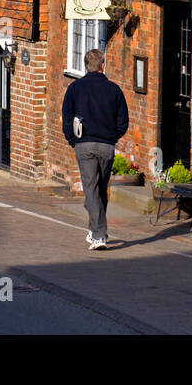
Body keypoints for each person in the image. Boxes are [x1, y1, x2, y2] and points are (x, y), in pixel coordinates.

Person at [62, 48, 129, 250]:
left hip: (84, 144)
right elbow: (123, 120)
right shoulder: (114, 90)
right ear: (103, 65)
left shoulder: (75, 88)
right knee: (99, 189)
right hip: (106, 145)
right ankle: (94, 230)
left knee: (92, 190)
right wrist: (113, 136)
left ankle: (99, 235)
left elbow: (66, 116)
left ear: (85, 65)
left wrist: (72, 139)